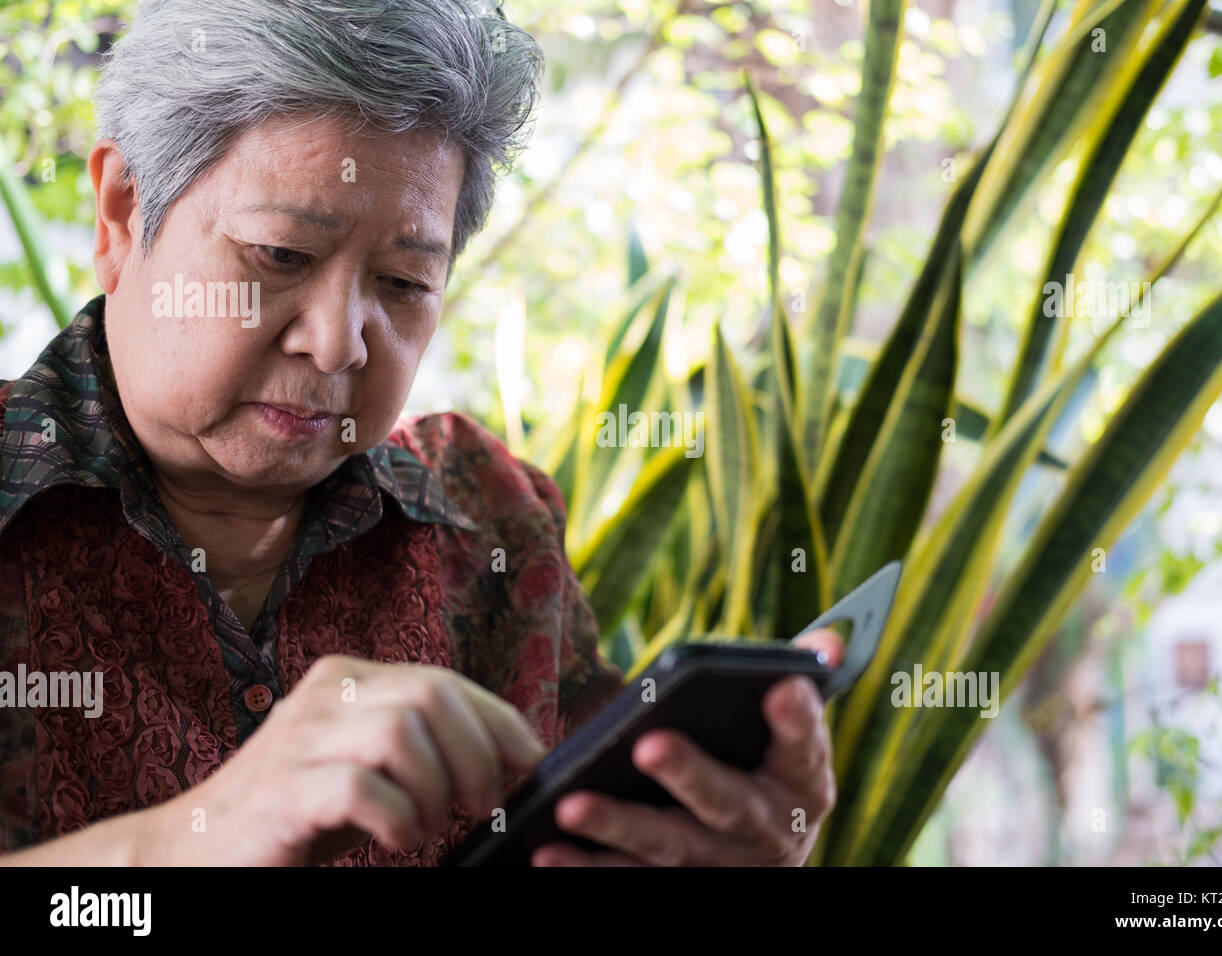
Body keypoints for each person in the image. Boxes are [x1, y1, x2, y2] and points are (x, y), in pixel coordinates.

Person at [0, 0, 841, 866]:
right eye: (281, 256)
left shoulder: (489, 521)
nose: (336, 341)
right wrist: (183, 844)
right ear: (122, 211)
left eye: (403, 283)